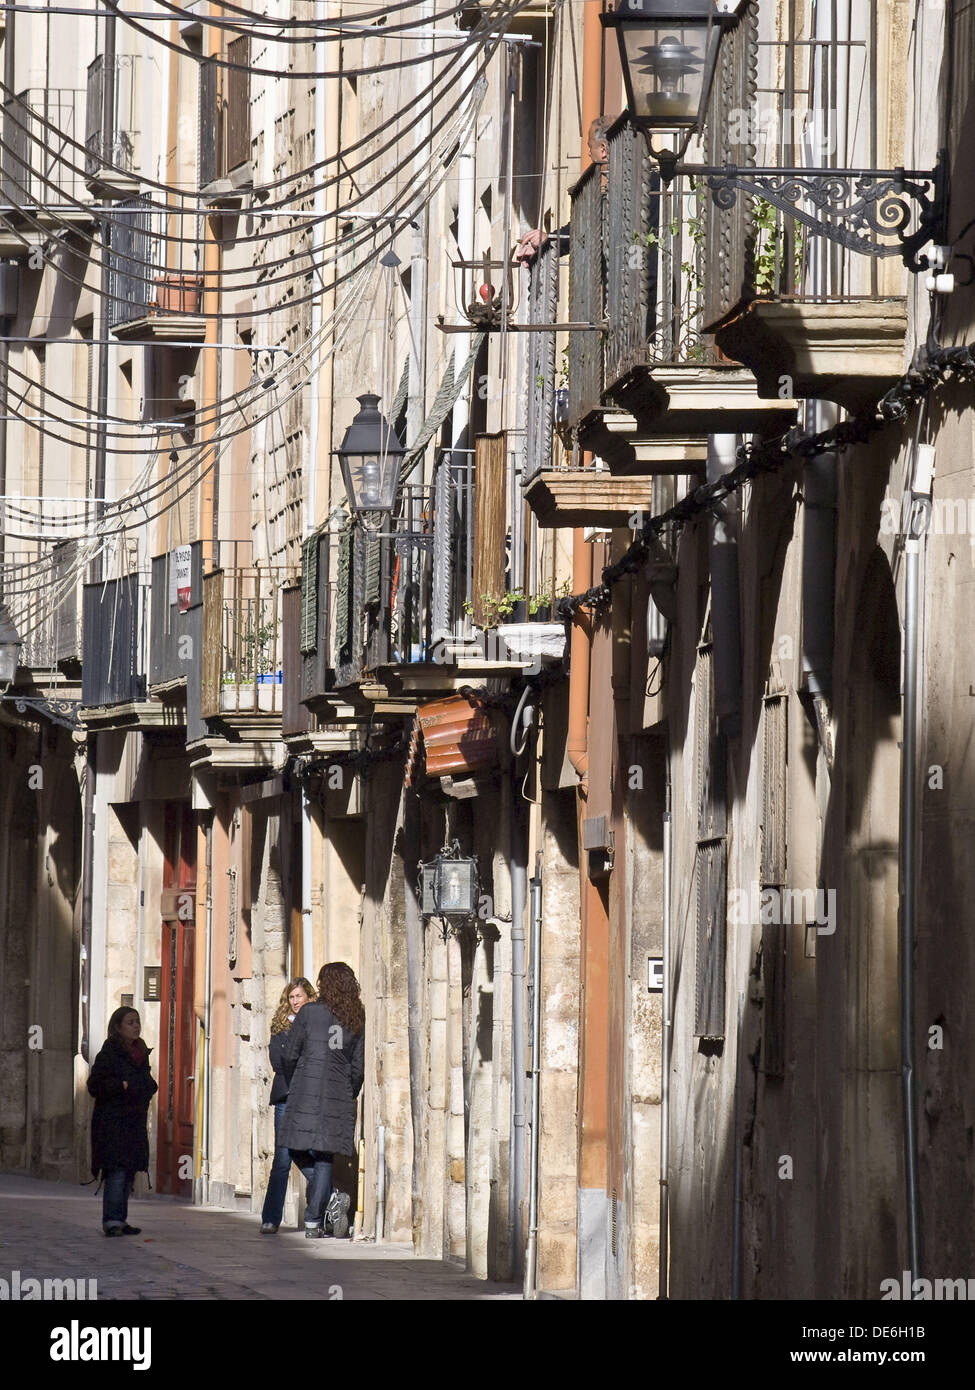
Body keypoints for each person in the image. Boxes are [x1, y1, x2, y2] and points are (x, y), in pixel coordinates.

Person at [280, 961, 365, 1239]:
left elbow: (290, 1053)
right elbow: (358, 1065)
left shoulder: (309, 1013)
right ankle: (321, 1214)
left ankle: (320, 1212)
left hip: (305, 1087)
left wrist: (297, 1080)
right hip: (338, 1092)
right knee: (324, 1154)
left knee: (295, 1147)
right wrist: (346, 1091)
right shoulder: (355, 1016)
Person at [87, 1007, 158, 1237]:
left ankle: (121, 1217)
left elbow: (146, 1080)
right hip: (112, 1122)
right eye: (130, 1022)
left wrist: (147, 1087)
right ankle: (112, 1220)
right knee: (116, 1170)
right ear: (118, 1027)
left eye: (137, 1021)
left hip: (133, 1121)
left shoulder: (140, 1052)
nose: (135, 1026)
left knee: (128, 1172)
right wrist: (122, 1086)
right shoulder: (109, 1053)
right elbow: (94, 1085)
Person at [260, 976, 316, 1233]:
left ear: (308, 998)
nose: (295, 1002)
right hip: (285, 1095)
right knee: (282, 1157)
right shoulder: (280, 1026)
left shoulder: (315, 1022)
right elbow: (278, 1061)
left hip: (309, 1096)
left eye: (299, 997)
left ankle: (330, 1197)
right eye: (291, 997)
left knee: (307, 1151)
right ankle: (271, 1218)